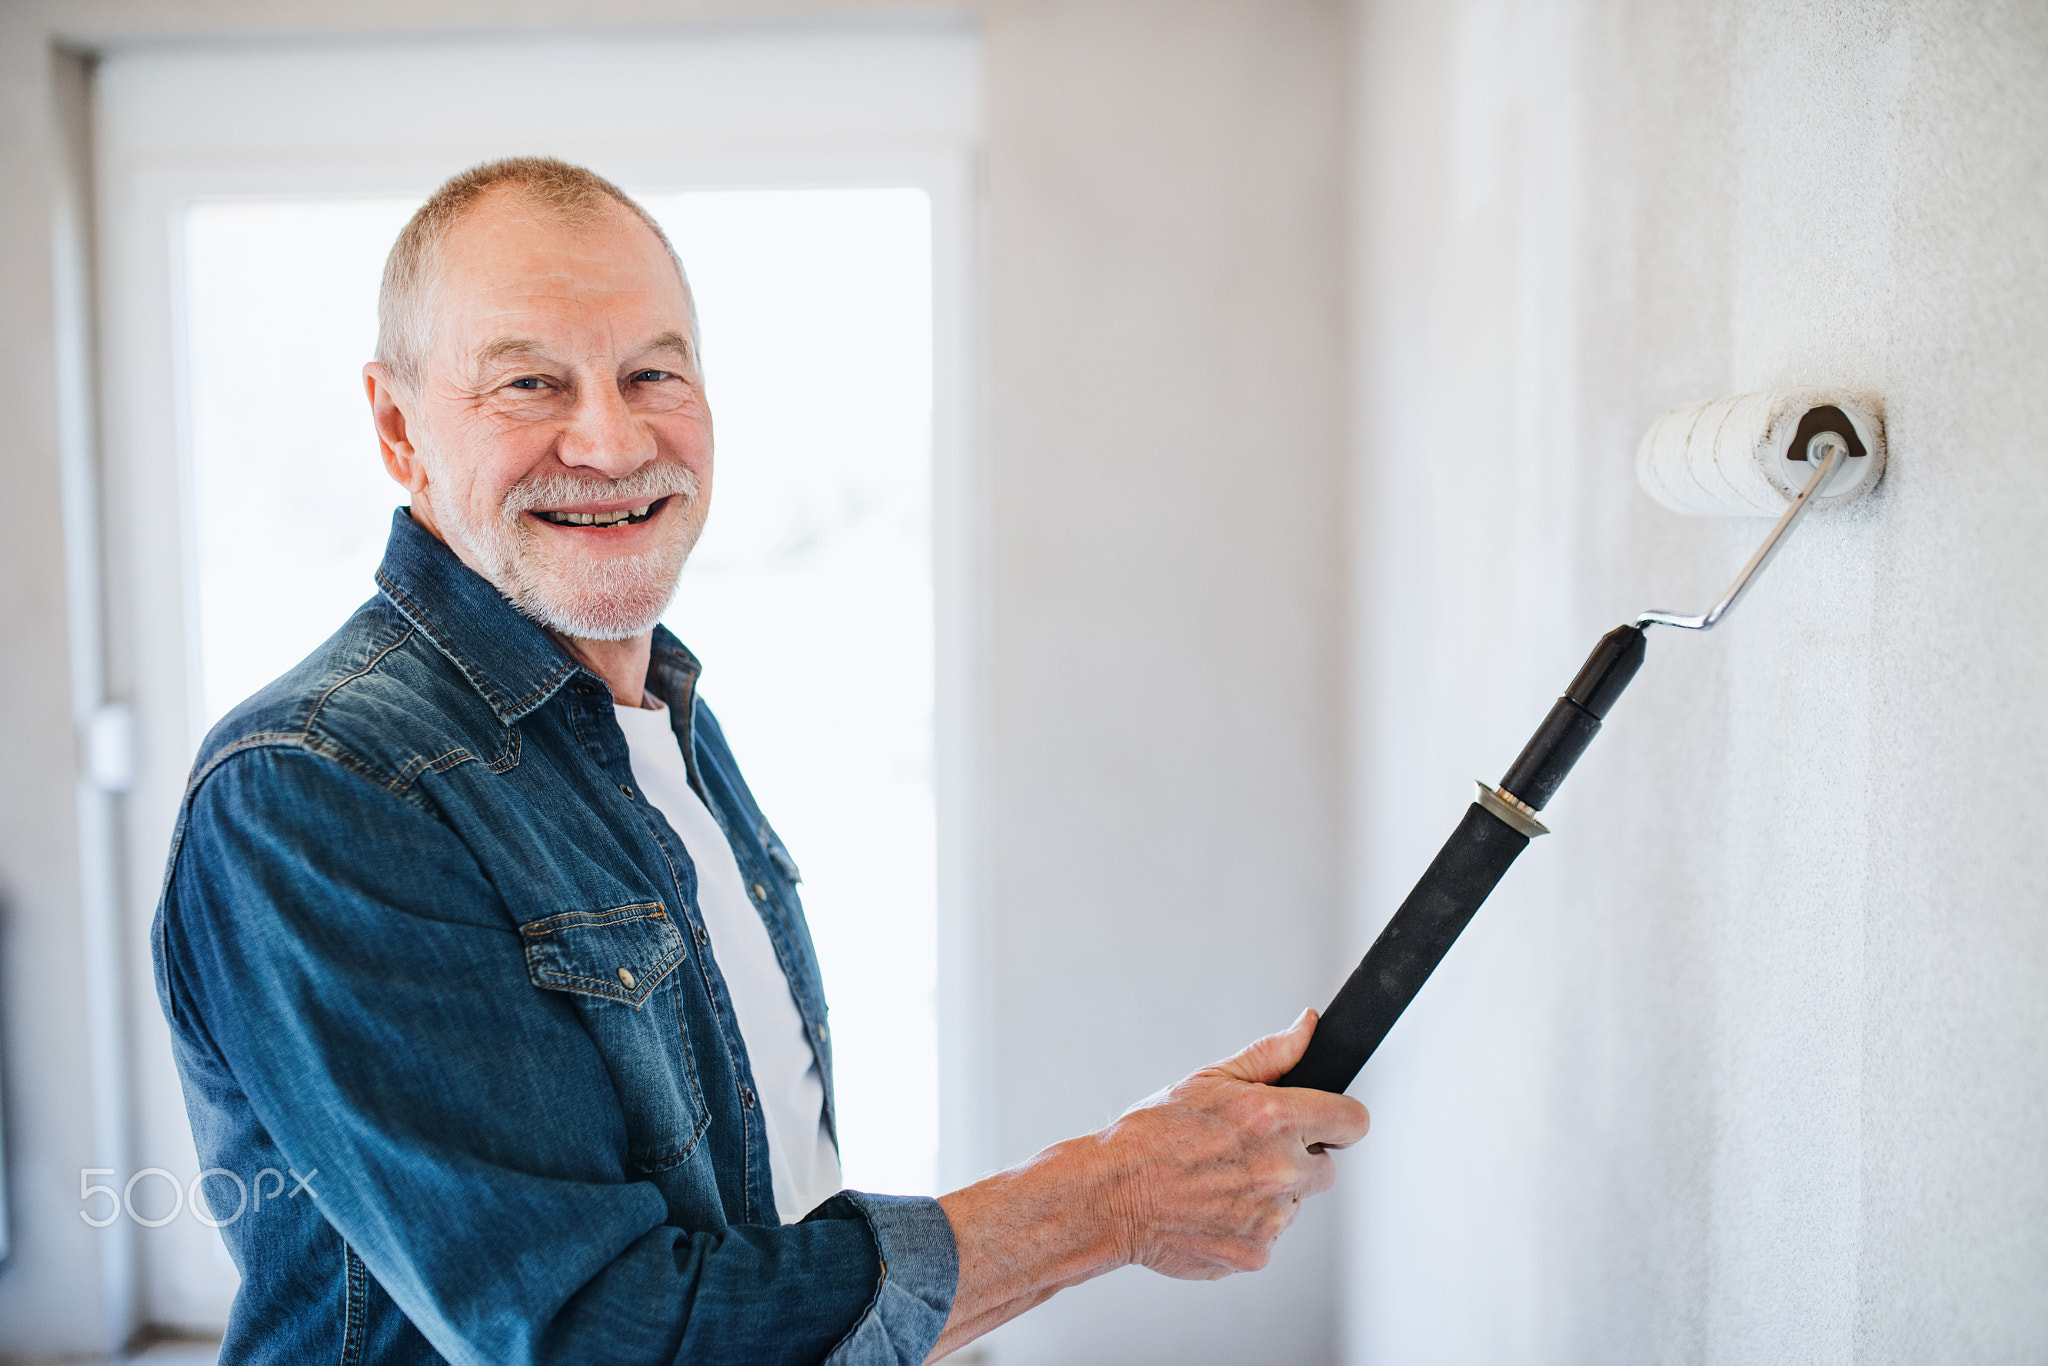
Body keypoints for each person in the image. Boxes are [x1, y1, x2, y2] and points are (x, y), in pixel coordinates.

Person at [153, 156, 1368, 1365]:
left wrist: (1036, 1249)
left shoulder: (659, 713)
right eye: (529, 382)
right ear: (397, 428)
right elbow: (592, 1333)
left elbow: (766, 1185)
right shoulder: (318, 785)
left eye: (651, 372)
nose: (610, 437)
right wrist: (1105, 1200)